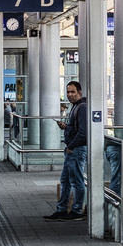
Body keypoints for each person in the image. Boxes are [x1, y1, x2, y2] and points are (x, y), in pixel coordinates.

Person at [46, 80, 88, 220]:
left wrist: (71, 146)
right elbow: (77, 129)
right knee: (65, 180)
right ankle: (62, 209)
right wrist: (66, 127)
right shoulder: (75, 107)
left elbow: (83, 132)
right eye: (68, 92)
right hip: (72, 149)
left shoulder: (81, 107)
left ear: (79, 92)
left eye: (73, 92)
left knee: (76, 181)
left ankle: (76, 211)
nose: (70, 95)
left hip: (76, 149)